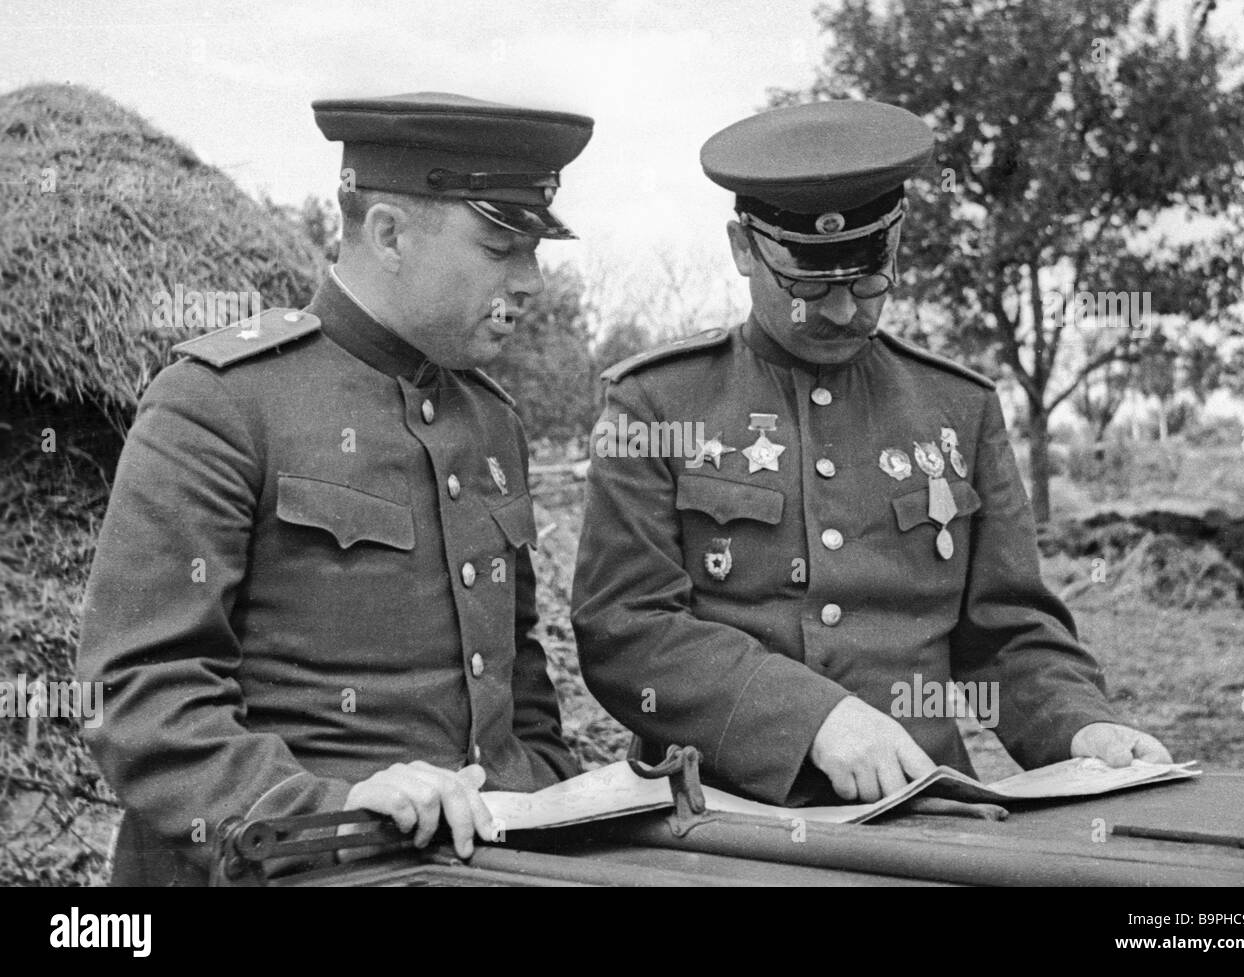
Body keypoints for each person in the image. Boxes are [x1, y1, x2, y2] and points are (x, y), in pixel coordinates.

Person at [571, 99, 1170, 808]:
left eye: (865, 280)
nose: (841, 312)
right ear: (741, 248)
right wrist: (812, 718)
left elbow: (1008, 634)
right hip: (723, 823)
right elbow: (626, 627)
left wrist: (1083, 726)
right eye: (808, 284)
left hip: (926, 811)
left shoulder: (959, 408)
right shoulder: (656, 403)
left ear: (898, 241)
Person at [78, 92, 593, 884]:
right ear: (388, 232)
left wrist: (546, 795)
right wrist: (326, 813)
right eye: (500, 247)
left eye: (534, 251)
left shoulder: (490, 420)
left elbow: (516, 681)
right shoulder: (219, 401)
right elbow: (141, 692)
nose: (530, 282)